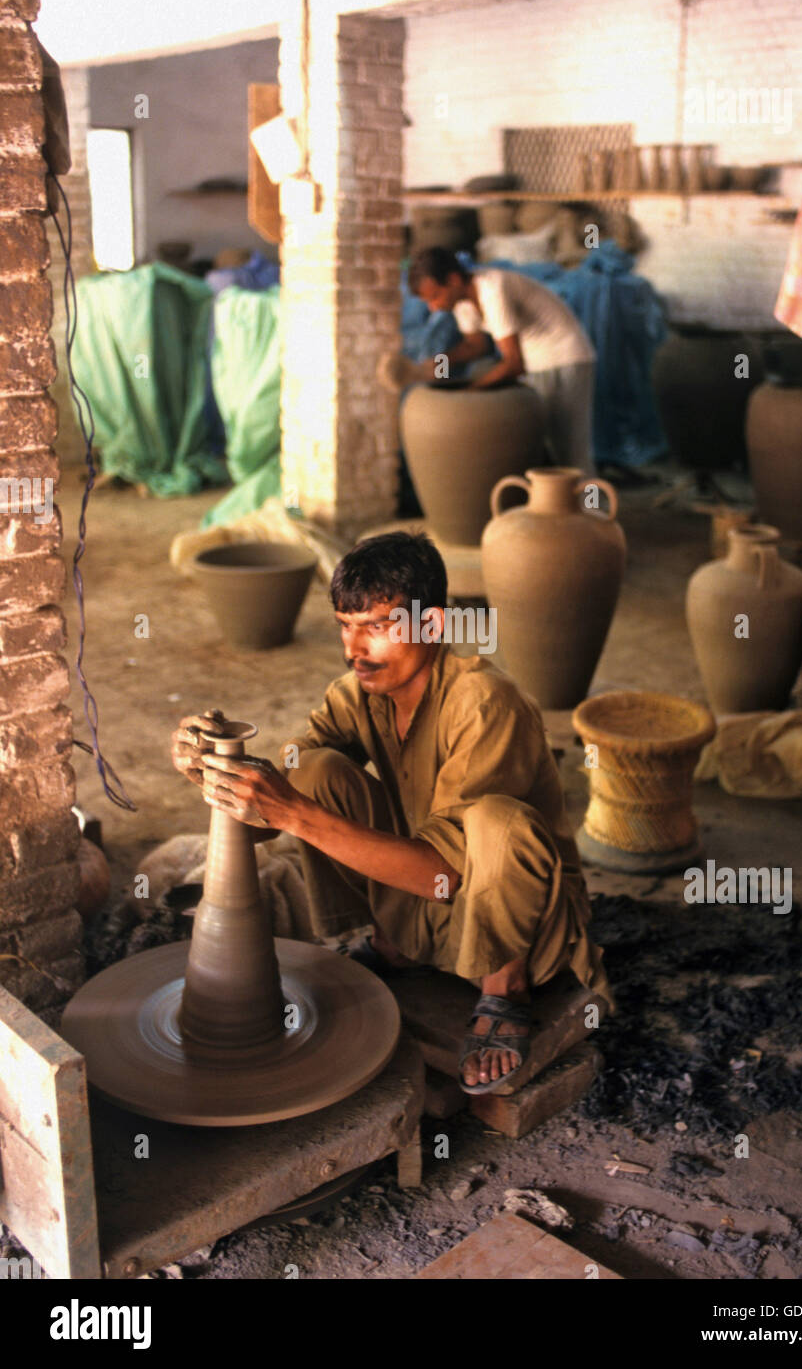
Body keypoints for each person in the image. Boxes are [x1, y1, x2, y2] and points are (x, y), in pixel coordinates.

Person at [171, 531, 611, 1096]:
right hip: (421, 903)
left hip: (521, 921)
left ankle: (505, 988)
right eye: (344, 625)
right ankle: (396, 945)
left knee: (498, 823)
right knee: (315, 768)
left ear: (433, 625)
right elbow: (286, 782)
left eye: (378, 627)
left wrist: (295, 812)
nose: (355, 648)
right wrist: (213, 769)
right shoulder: (358, 693)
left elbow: (446, 874)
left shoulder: (484, 701)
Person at [408, 245, 596, 470]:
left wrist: (472, 391)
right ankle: (554, 503)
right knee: (542, 451)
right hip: (538, 361)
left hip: (565, 356)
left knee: (569, 453)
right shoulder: (462, 302)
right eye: (428, 301)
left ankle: (591, 504)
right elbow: (474, 346)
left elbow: (514, 364)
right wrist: (435, 364)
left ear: (454, 279)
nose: (434, 307)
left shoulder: (493, 289)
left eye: (435, 296)